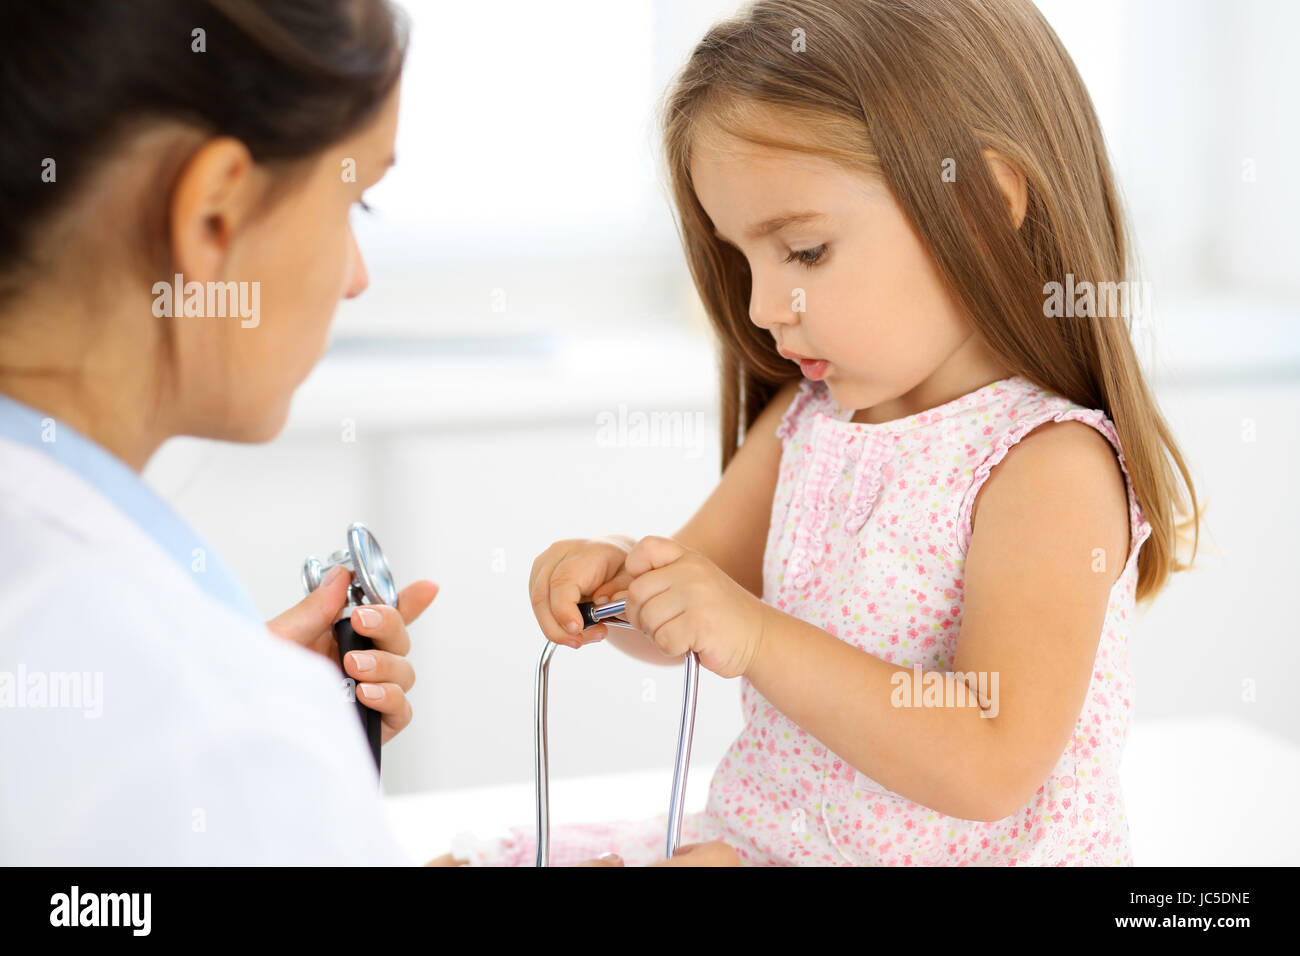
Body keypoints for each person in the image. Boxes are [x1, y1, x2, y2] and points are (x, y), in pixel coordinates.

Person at [0, 0, 736, 867]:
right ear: (212, 218)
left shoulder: (162, 693)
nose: (356, 277)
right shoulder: (210, 727)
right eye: (356, 203)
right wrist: (259, 741)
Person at [469, 0, 1204, 866]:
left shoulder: (1048, 467)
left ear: (981, 204)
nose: (759, 309)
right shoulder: (808, 426)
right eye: (743, 258)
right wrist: (618, 583)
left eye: (805, 251)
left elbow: (992, 763)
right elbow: (690, 609)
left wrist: (758, 637)